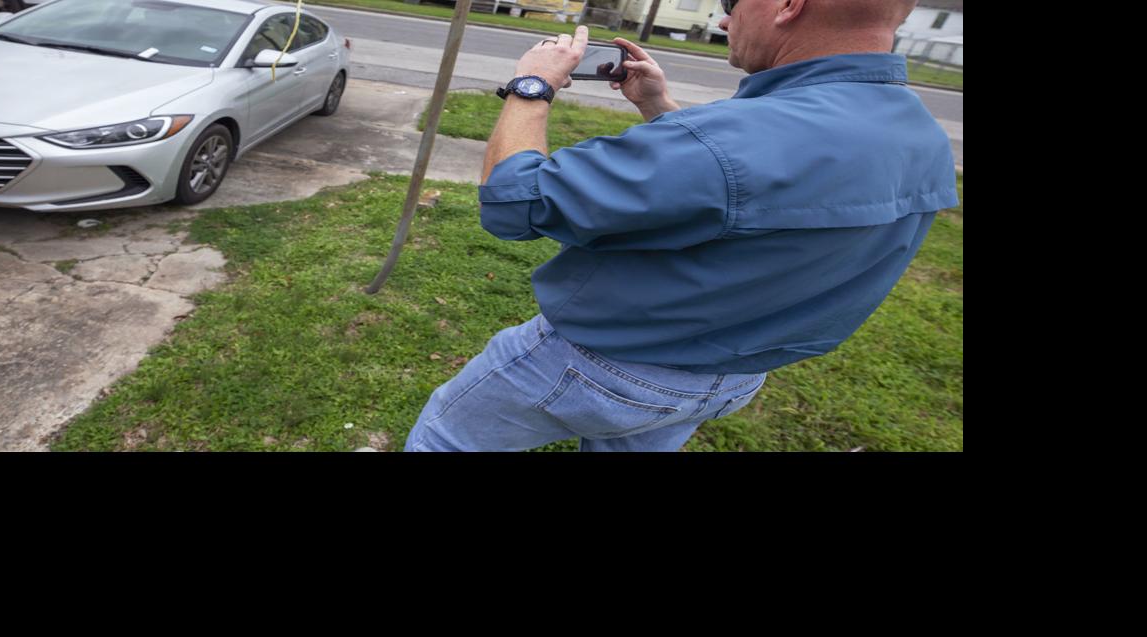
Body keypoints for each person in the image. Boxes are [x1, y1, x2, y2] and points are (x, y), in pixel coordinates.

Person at [403, 0, 957, 452]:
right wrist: (660, 109)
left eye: (731, 3)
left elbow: (516, 204)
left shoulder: (729, 140)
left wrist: (531, 87)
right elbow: (754, 195)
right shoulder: (922, 137)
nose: (723, 20)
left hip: (595, 367)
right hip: (730, 380)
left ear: (788, 5)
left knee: (446, 438)